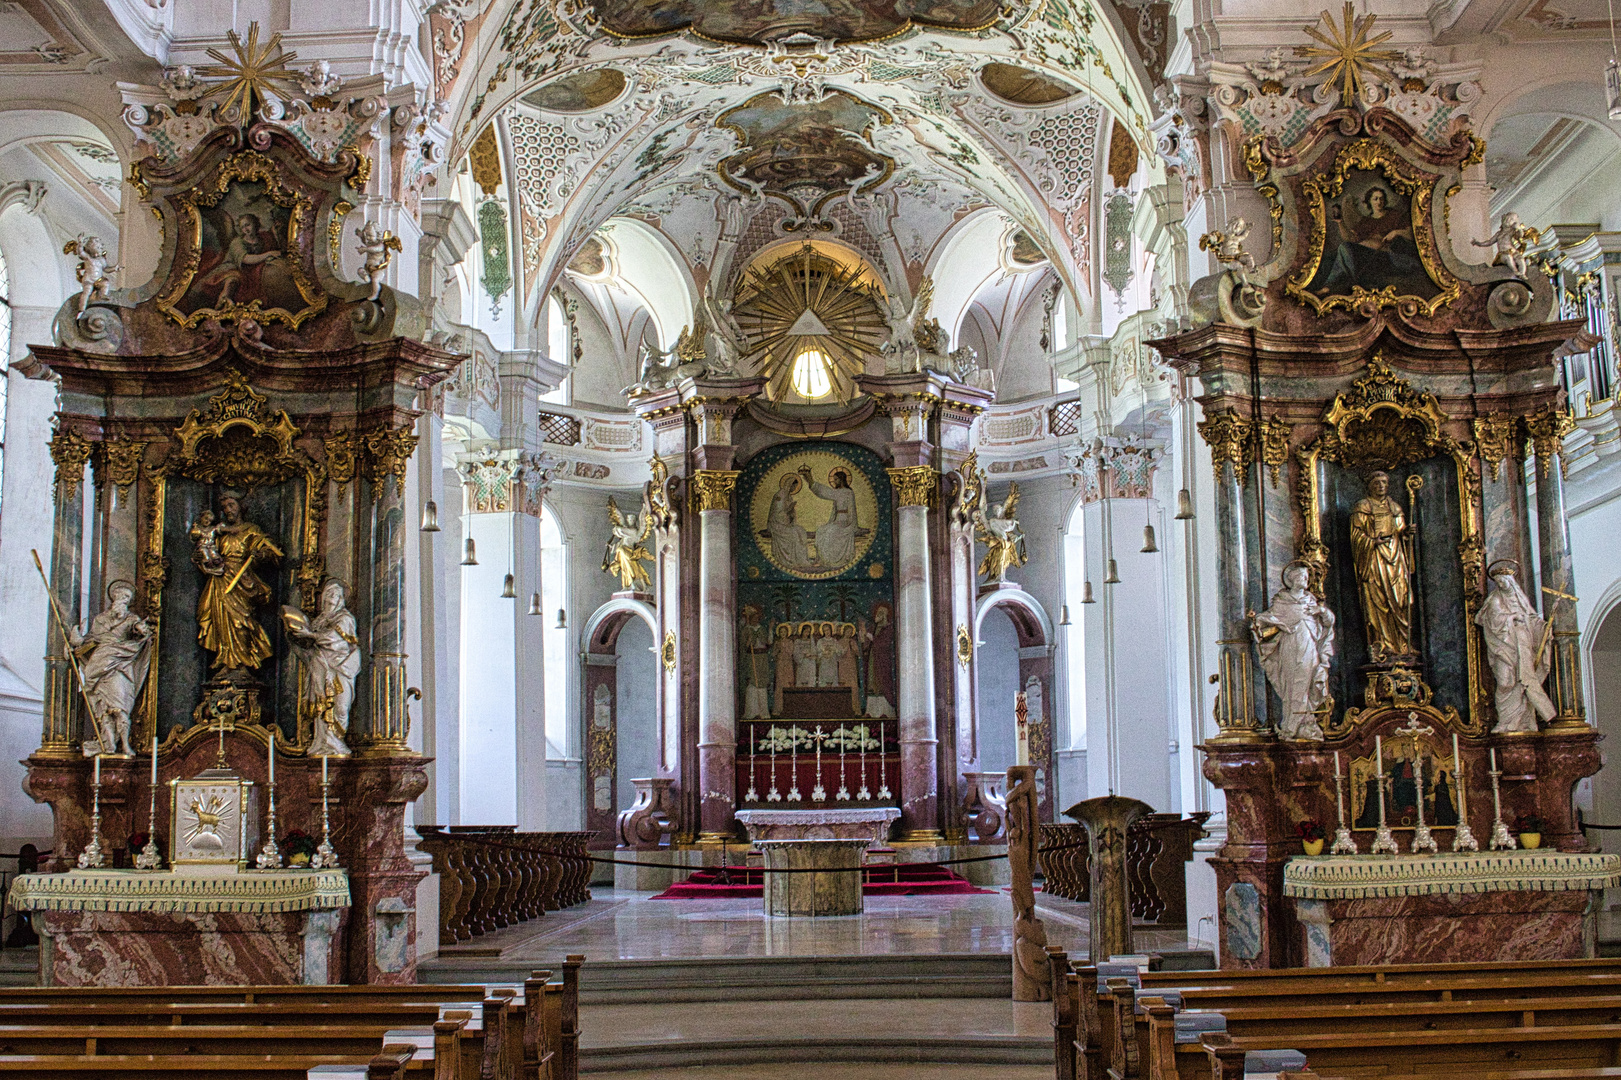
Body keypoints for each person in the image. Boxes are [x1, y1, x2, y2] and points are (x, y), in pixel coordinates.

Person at [192, 495, 282, 674]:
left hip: (241, 578)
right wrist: (201, 558)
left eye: (231, 505)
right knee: (219, 619)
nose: (228, 510)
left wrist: (260, 554)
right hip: (219, 577)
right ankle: (225, 660)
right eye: (224, 507)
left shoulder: (251, 530)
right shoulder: (220, 532)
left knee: (240, 621)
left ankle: (242, 662)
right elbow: (209, 551)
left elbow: (272, 552)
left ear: (241, 507)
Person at [1251, 561, 1336, 740]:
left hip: (1310, 648)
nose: (1306, 580)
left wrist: (1320, 611)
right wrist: (1258, 624)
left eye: (1306, 576)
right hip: (1290, 647)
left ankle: (1304, 722)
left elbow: (1329, 622)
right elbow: (1265, 620)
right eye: (1302, 577)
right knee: (1291, 685)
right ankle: (1292, 724)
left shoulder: (1310, 600)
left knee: (1307, 683)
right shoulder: (1282, 601)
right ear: (1293, 579)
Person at [69, 581, 152, 756]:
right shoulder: (100, 620)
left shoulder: (131, 619)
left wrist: (142, 630)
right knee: (104, 710)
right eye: (121, 596)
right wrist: (77, 640)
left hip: (120, 664)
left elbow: (140, 632)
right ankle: (109, 746)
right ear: (113, 598)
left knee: (120, 708)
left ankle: (125, 745)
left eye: (127, 598)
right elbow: (89, 640)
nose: (123, 600)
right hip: (98, 664)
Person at [1475, 559, 1556, 733]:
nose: (1502, 583)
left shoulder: (1520, 600)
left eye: (1504, 579)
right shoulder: (1495, 600)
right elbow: (1493, 620)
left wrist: (1543, 628)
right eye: (1498, 581)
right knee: (1505, 682)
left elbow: (1532, 619)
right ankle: (1506, 720)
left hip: (1523, 646)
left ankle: (1523, 721)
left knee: (1525, 681)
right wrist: (1512, 618)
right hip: (1504, 647)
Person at [283, 579, 360, 757]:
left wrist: (310, 634)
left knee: (340, 707)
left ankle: (336, 742)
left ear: (341, 599)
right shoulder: (319, 621)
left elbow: (334, 639)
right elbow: (310, 651)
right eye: (328, 594)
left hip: (340, 668)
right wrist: (295, 642)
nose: (331, 598)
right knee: (321, 705)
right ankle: (322, 743)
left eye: (335, 595)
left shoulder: (344, 618)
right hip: (319, 669)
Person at [1349, 471, 1413, 662]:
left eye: (1384, 482)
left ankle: (1403, 644)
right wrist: (1371, 542)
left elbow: (1400, 531)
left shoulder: (1395, 507)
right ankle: (1382, 645)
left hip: (1396, 559)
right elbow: (1355, 536)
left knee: (1402, 599)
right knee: (1378, 601)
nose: (1380, 486)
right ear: (1369, 486)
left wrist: (1407, 532)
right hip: (1374, 559)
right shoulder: (1363, 507)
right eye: (1376, 483)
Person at [800, 465, 858, 568]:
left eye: (836, 479)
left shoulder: (849, 492)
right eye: (834, 479)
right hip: (836, 521)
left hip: (845, 522)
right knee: (821, 530)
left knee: (830, 532)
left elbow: (852, 509)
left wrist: (850, 524)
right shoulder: (836, 492)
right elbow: (824, 492)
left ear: (842, 479)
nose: (835, 482)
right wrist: (810, 479)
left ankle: (830, 560)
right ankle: (822, 559)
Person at [766, 473, 814, 570]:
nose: (794, 489)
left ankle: (802, 560)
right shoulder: (780, 495)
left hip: (786, 524)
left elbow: (790, 514)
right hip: (777, 525)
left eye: (795, 487)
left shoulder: (789, 496)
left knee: (801, 531)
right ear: (790, 485)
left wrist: (791, 515)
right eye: (793, 486)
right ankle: (791, 560)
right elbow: (777, 513)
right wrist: (789, 509)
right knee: (794, 534)